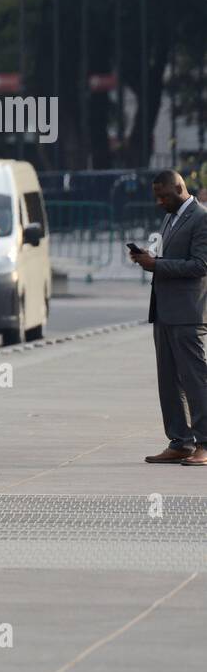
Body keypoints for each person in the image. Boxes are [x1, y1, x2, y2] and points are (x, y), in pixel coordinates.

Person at [132, 170, 207, 466]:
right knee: (168, 380)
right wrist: (148, 257)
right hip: (164, 311)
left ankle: (204, 442)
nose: (159, 202)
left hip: (189, 313)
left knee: (196, 379)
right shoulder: (170, 217)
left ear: (180, 188)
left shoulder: (201, 218)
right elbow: (170, 256)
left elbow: (201, 265)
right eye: (156, 197)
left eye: (164, 195)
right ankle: (180, 441)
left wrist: (157, 265)